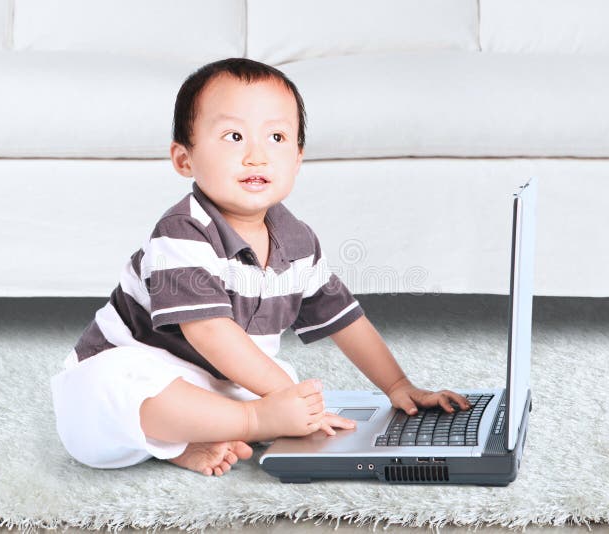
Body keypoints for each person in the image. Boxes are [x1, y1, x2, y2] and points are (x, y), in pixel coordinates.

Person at [50, 57, 471, 477]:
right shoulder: (181, 232)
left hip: (214, 386)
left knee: (276, 375)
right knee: (114, 382)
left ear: (298, 158)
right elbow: (211, 333)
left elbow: (346, 320)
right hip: (124, 387)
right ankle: (244, 423)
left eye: (276, 136)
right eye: (234, 136)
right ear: (184, 159)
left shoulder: (297, 240)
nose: (256, 156)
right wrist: (274, 407)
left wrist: (399, 387)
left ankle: (195, 438)